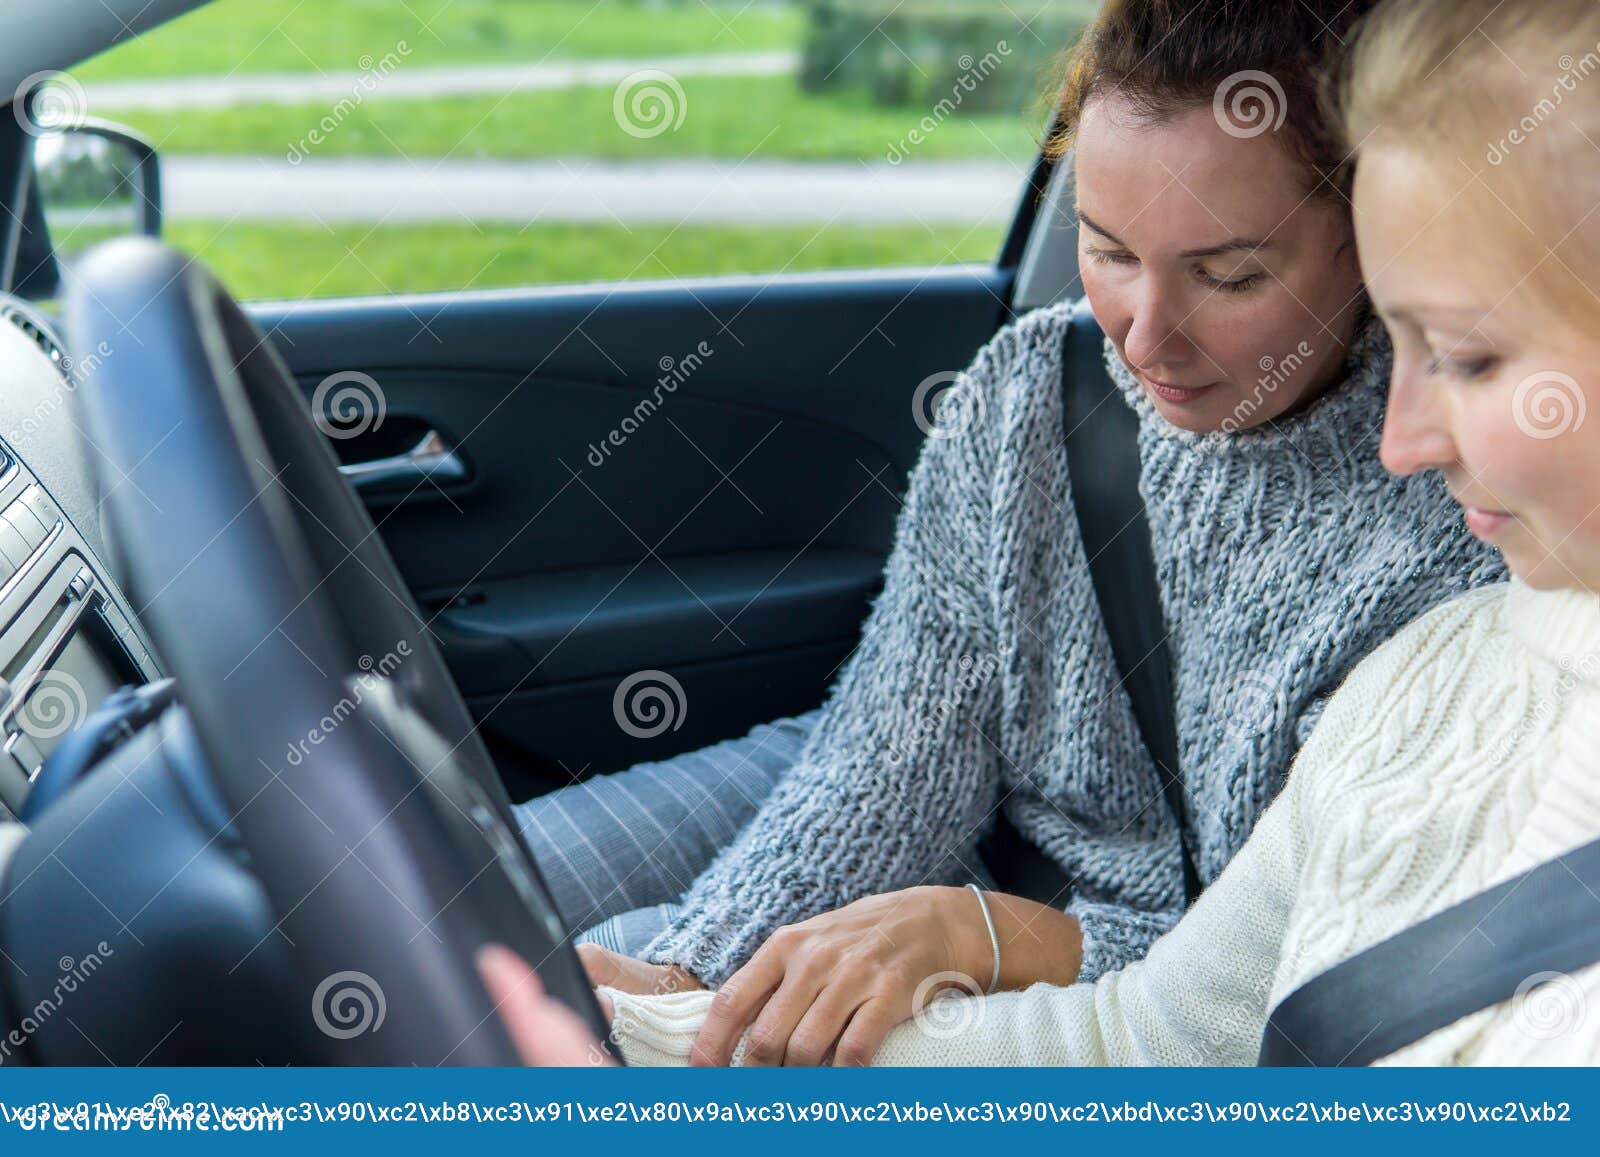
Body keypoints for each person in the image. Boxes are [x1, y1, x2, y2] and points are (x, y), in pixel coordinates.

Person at [490, 0, 1600, 1067]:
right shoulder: (1035, 388)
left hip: (1111, 961)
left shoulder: (1486, 527)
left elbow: (1247, 981)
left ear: (1366, 238)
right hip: (945, 857)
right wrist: (704, 973)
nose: (1146, 336)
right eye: (1109, 249)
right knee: (482, 922)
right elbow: (889, 756)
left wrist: (979, 935)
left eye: (1229, 274)